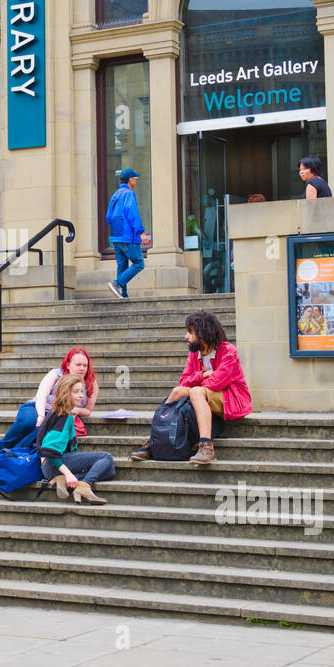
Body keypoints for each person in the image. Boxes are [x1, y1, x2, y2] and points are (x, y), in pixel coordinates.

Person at [130, 310, 252, 465]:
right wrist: (202, 375)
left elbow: (217, 382)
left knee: (195, 391)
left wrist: (197, 384)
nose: (186, 337)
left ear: (202, 333)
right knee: (177, 391)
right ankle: (156, 442)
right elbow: (184, 381)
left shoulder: (228, 351)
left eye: (190, 332)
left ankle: (206, 446)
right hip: (203, 394)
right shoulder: (195, 354)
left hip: (232, 399)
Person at [0, 346, 98, 457]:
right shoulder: (56, 374)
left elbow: (88, 410)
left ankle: (9, 453)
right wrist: (41, 415)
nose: (82, 368)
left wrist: (76, 410)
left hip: (57, 415)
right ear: (68, 364)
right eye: (78, 364)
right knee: (29, 422)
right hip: (36, 407)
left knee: (41, 432)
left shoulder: (91, 383)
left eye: (85, 365)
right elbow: (41, 396)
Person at [36, 373, 115, 505]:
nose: (80, 395)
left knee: (109, 471)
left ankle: (63, 480)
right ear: (66, 393)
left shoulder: (65, 413)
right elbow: (49, 452)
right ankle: (83, 486)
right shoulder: (63, 417)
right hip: (53, 465)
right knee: (106, 458)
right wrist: (68, 474)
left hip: (54, 466)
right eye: (76, 392)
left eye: (82, 391)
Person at [106, 168, 146, 299]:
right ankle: (117, 284)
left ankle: (123, 294)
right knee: (139, 263)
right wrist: (141, 232)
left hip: (116, 237)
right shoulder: (128, 194)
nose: (136, 181)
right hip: (128, 237)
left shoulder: (115, 195)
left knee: (122, 266)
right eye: (135, 179)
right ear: (130, 180)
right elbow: (132, 213)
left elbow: (108, 217)